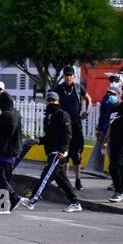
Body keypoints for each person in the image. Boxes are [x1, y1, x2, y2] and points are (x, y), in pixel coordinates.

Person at [21, 91, 82, 212]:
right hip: (50, 152)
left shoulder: (63, 115)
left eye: (53, 101)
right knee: (61, 180)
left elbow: (67, 134)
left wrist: (63, 151)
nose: (51, 103)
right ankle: (75, 202)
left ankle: (32, 200)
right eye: (49, 101)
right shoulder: (48, 118)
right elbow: (48, 137)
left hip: (58, 153)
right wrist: (38, 141)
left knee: (46, 176)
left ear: (58, 102)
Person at [54, 65, 90, 194]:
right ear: (63, 76)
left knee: (77, 155)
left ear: (74, 76)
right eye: (66, 75)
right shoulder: (58, 89)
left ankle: (78, 179)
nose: (68, 77)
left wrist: (87, 110)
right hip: (63, 126)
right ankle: (65, 180)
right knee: (64, 154)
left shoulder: (78, 87)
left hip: (76, 125)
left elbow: (88, 99)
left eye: (70, 75)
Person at [0, 91, 24, 214]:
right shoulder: (15, 113)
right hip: (12, 151)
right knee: (3, 178)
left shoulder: (6, 115)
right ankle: (6, 203)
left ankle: (10, 200)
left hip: (5, 150)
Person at [104, 82, 123, 202]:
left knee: (113, 166)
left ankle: (119, 192)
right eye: (109, 94)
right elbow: (110, 128)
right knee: (119, 167)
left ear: (119, 95)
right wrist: (105, 142)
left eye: (112, 94)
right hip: (114, 142)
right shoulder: (113, 109)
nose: (110, 96)